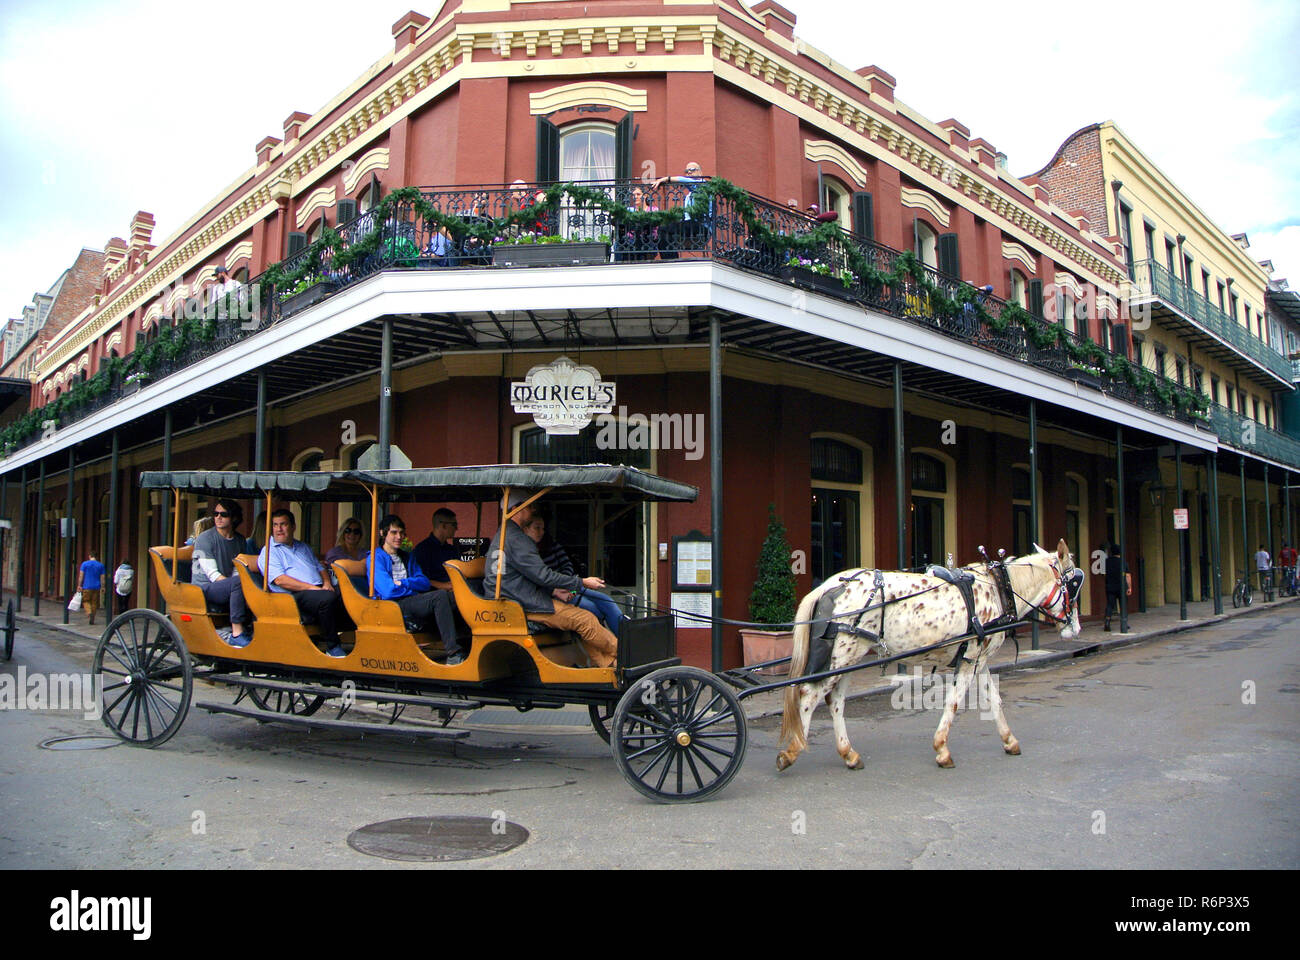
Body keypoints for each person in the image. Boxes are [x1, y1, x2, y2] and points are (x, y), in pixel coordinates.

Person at [484, 490, 618, 668]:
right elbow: (543, 575)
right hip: (520, 604)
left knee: (580, 618)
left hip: (515, 599)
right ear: (516, 509)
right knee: (585, 619)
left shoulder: (504, 535)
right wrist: (582, 582)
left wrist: (554, 590)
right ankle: (626, 654)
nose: (532, 510)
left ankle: (608, 665)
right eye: (529, 506)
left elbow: (526, 576)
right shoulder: (517, 539)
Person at [368, 514, 466, 664]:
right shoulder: (376, 558)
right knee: (439, 596)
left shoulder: (407, 557)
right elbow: (388, 591)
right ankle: (453, 652)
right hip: (392, 606)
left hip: (411, 600)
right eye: (394, 532)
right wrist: (410, 587)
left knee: (455, 597)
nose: (399, 537)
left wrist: (403, 583)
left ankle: (467, 645)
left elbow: (424, 582)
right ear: (382, 533)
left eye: (402, 533)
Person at [260, 509, 354, 658]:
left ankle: (356, 641)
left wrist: (327, 583)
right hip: (291, 597)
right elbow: (280, 580)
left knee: (349, 593)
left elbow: (319, 567)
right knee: (326, 599)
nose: (279, 529)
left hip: (316, 590)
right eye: (275, 525)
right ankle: (332, 646)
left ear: (293, 526)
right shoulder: (269, 551)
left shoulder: (303, 547)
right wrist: (313, 588)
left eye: (283, 524)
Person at [522, 514, 626, 639]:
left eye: (543, 529)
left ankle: (625, 643)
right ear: (525, 529)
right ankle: (606, 645)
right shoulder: (526, 551)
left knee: (607, 601)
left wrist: (565, 583)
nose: (541, 532)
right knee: (591, 608)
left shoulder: (551, 545)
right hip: (551, 594)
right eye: (537, 528)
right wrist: (557, 588)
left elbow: (567, 565)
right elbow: (539, 578)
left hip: (569, 586)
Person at [192, 499, 252, 647]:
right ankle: (237, 633)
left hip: (225, 585)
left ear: (234, 518)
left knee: (250, 583)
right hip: (204, 587)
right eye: (216, 513)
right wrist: (235, 585)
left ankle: (252, 628)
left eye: (223, 514)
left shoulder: (239, 540)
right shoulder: (205, 538)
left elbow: (238, 569)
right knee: (238, 584)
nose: (218, 517)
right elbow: (213, 574)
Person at [653, 161, 709, 258]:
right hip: (689, 224)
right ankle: (670, 260)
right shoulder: (689, 195)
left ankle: (671, 260)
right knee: (663, 230)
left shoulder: (703, 185)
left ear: (700, 173)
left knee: (665, 229)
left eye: (692, 170)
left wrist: (666, 179)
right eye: (687, 171)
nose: (689, 173)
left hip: (700, 226)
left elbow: (686, 180)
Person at [412, 508, 462, 590]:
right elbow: (420, 580)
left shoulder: (452, 549)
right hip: (433, 596)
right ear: (443, 526)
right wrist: (446, 586)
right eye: (454, 524)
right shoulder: (422, 550)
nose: (457, 528)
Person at [1102, 545, 1131, 632]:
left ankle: (1107, 621)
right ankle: (1124, 622)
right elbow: (1128, 575)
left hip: (1110, 586)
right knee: (1123, 605)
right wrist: (1129, 587)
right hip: (1121, 587)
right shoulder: (1123, 562)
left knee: (1110, 605)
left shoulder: (1107, 562)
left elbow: (1104, 574)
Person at [77, 551, 106, 626]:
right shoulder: (101, 565)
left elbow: (81, 575)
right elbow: (102, 578)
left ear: (90, 556)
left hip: (87, 586)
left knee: (85, 600)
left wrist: (79, 585)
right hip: (96, 587)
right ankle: (92, 617)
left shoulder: (85, 564)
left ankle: (89, 612)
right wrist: (103, 587)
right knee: (94, 603)